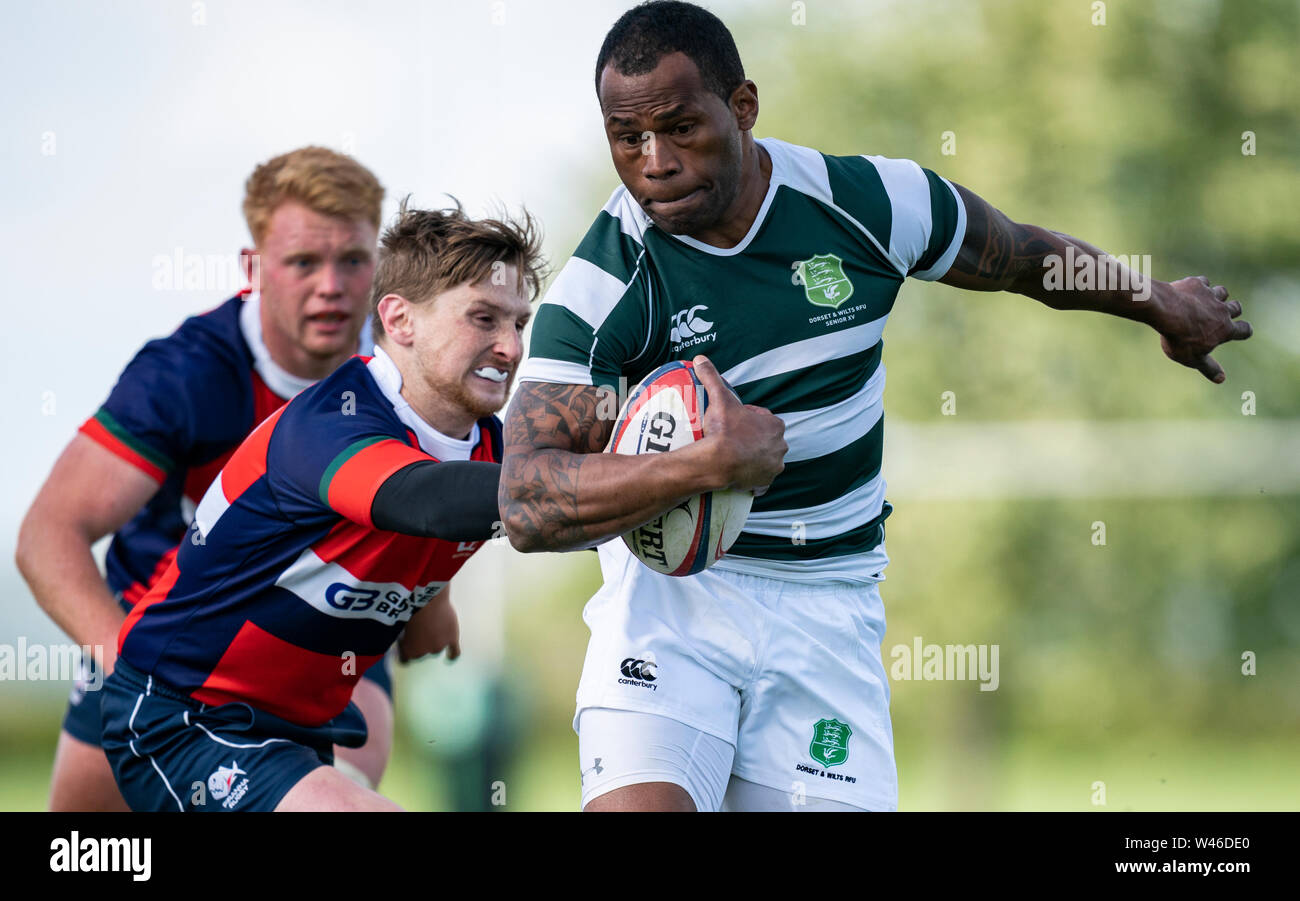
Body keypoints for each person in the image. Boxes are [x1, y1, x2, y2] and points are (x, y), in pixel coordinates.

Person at [498, 0, 1253, 812]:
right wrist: (708, 465)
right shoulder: (605, 284)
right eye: (627, 137)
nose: (654, 161)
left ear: (743, 107)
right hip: (672, 606)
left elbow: (1021, 258)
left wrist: (1159, 305)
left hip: (828, 605)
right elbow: (525, 500)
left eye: (680, 127)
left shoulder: (867, 203)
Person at [14, 146, 424, 809]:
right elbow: (46, 535)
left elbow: (425, 497)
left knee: (342, 794)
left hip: (322, 634)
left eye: (353, 260)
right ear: (253, 268)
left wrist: (434, 600)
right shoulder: (186, 374)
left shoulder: (405, 370)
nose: (332, 285)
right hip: (160, 634)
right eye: (302, 263)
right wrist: (139, 676)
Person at [98, 201, 543, 811]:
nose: (511, 347)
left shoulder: (485, 440)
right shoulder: (332, 424)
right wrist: (641, 477)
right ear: (399, 319)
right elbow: (423, 499)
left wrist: (431, 600)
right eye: (484, 318)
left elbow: (461, 502)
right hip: (185, 713)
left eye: (520, 322)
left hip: (300, 731)